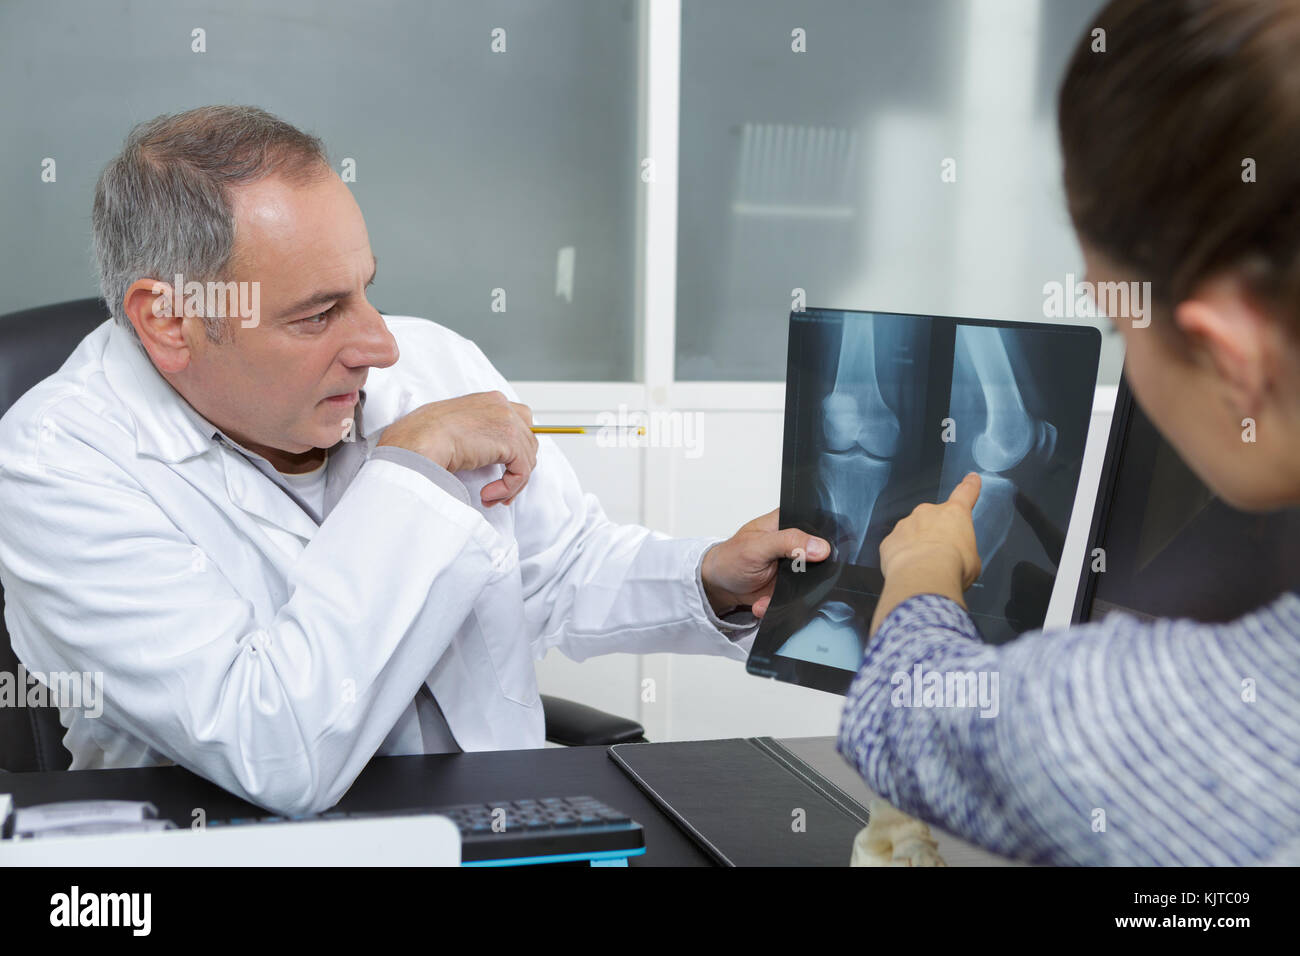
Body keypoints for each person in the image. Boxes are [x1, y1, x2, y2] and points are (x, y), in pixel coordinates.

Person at [0, 105, 831, 816]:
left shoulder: (430, 368)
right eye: (319, 313)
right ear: (170, 321)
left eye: (367, 288)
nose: (381, 343)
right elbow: (276, 750)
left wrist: (709, 581)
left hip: (511, 825)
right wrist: (407, 476)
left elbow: (561, 569)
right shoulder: (58, 465)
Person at [825, 0, 1300, 865]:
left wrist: (925, 568)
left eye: (1124, 326)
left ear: (1232, 358)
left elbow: (901, 709)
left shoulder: (1176, 726)